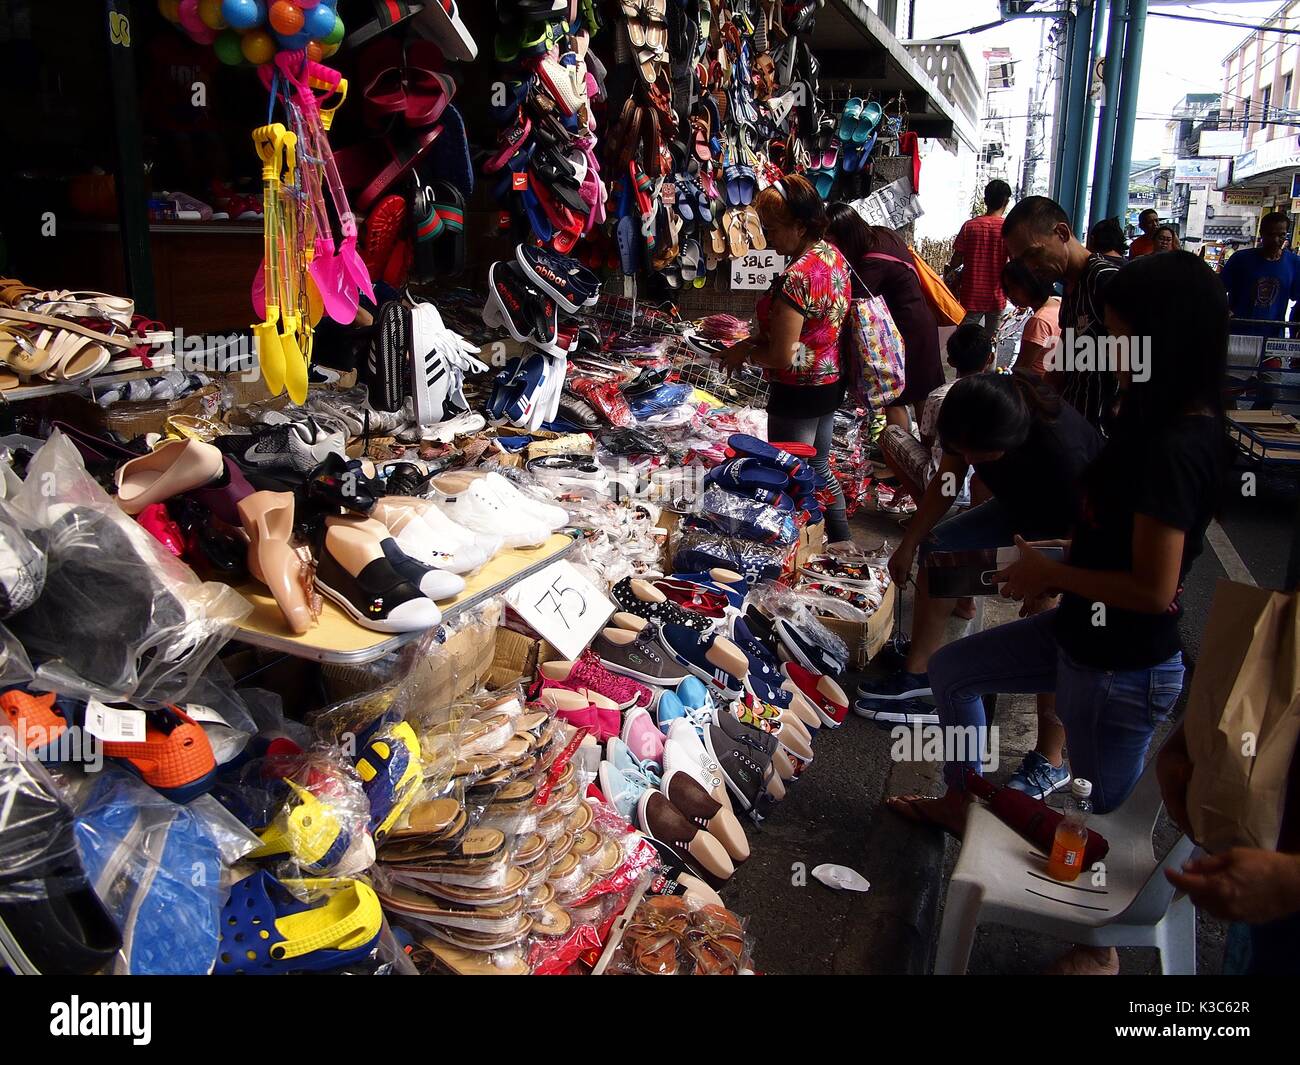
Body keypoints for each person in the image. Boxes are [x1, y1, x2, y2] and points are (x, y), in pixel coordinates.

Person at [890, 251, 1229, 975]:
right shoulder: (1143, 412)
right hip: (1081, 635)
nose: (1111, 351)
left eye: (1122, 336)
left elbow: (1152, 587)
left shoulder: (1176, 444)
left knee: (1105, 809)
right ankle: (963, 796)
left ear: (1164, 337)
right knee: (954, 671)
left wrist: (1047, 571)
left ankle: (1099, 949)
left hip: (1124, 665)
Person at [855, 371, 1102, 720]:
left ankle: (1051, 749)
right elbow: (948, 480)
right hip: (1019, 505)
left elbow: (1085, 539)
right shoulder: (969, 416)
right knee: (940, 550)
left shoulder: (1062, 452)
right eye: (963, 451)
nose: (969, 460)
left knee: (1052, 628)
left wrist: (1047, 582)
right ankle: (919, 674)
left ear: (1012, 441)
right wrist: (910, 541)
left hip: (1075, 529)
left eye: (981, 455)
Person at [722, 174, 852, 544]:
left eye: (774, 228)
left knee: (787, 476)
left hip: (798, 390)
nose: (768, 237)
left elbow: (782, 356)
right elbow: (812, 332)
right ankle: (842, 541)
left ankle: (794, 550)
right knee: (819, 466)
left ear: (800, 225)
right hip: (827, 380)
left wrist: (745, 350)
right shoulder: (831, 255)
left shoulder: (799, 275)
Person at [825, 202, 946, 438]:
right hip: (921, 323)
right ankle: (926, 454)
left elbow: (851, 304)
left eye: (831, 240)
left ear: (845, 236)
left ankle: (902, 456)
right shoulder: (882, 234)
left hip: (902, 330)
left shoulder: (871, 263)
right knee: (922, 392)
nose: (830, 247)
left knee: (895, 397)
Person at [1002, 195, 1120, 430]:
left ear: (1062, 233)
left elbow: (1139, 361)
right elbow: (1062, 361)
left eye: (1033, 254)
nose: (1030, 267)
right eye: (1021, 261)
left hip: (1102, 433)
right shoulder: (1069, 287)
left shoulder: (1105, 280)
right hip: (1076, 423)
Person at [877, 323, 991, 509]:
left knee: (890, 433)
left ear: (951, 361)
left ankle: (925, 506)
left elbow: (928, 445)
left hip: (943, 482)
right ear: (990, 359)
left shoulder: (939, 396)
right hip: (977, 485)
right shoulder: (999, 395)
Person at [1219, 211, 1300, 338]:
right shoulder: (1240, 259)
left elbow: (1297, 297)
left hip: (1272, 338)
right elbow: (1217, 290)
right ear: (1261, 233)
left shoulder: (1294, 263)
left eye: (1281, 235)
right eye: (1271, 234)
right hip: (1238, 333)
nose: (1276, 240)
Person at [947, 179, 1012, 335]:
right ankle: (989, 360)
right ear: (1006, 201)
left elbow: (955, 261)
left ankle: (963, 360)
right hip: (997, 296)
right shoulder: (1008, 230)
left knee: (964, 341)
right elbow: (1014, 262)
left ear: (985, 200)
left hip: (970, 295)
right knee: (992, 342)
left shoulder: (970, 226)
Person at [1001, 259, 1061, 377]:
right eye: (1007, 289)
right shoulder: (1058, 302)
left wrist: (1006, 373)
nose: (1010, 295)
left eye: (1013, 288)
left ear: (1030, 284)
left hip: (1035, 387)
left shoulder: (1039, 321)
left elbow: (1021, 368)